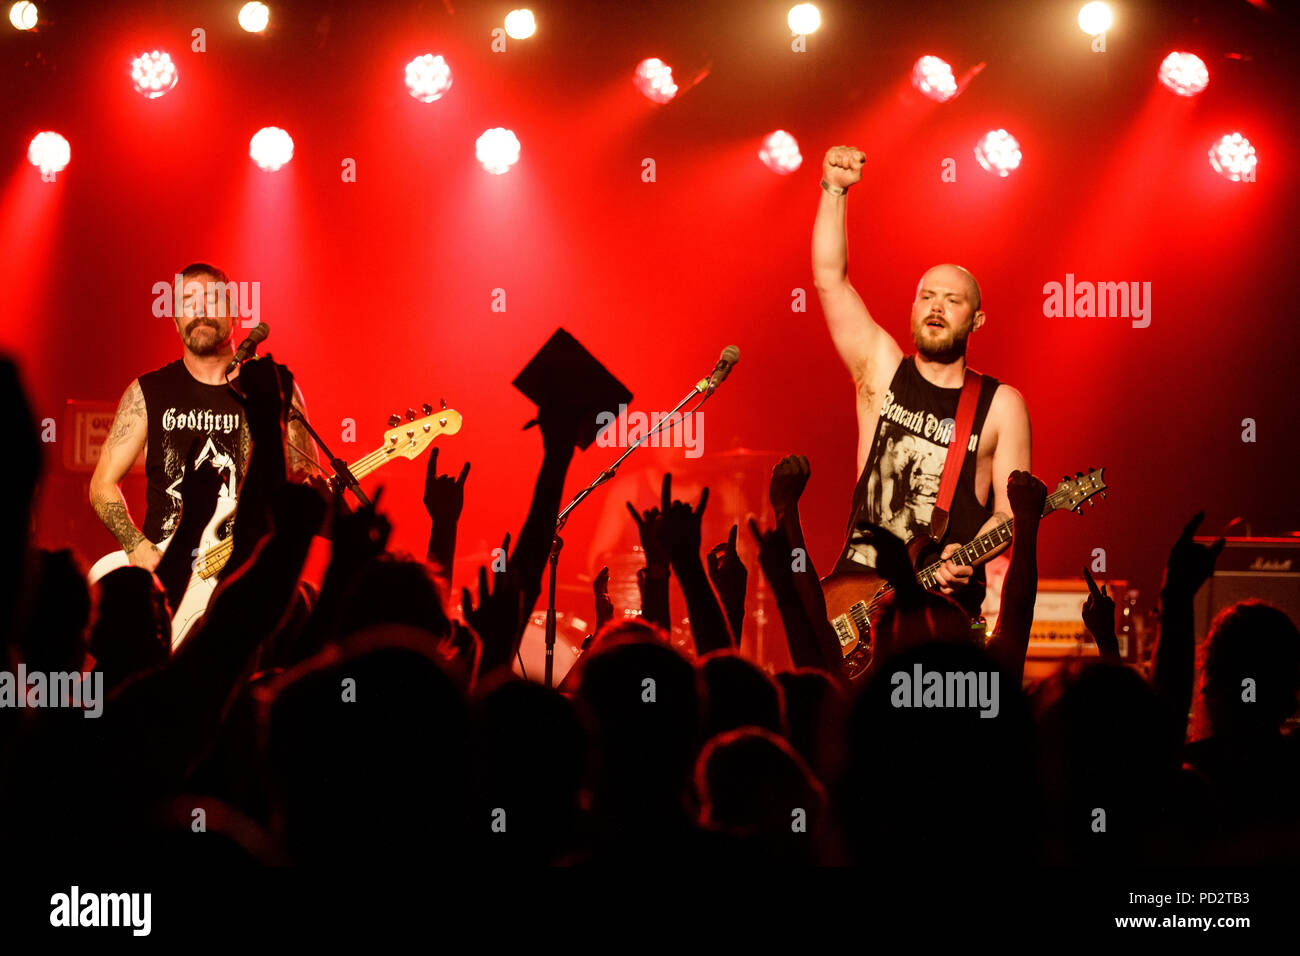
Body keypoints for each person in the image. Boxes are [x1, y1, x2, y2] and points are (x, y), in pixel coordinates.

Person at [812, 146, 1032, 618]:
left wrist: (971, 553)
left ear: (976, 320)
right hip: (855, 597)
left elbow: (1012, 515)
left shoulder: (1000, 405)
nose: (936, 306)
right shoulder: (881, 369)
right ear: (913, 308)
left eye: (951, 300)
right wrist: (834, 190)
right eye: (926, 296)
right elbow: (831, 280)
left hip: (943, 612)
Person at [89, 263, 318, 571]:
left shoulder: (272, 388)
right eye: (187, 302)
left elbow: (307, 484)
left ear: (234, 311)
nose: (199, 310)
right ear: (174, 321)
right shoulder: (147, 392)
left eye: (211, 299)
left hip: (246, 576)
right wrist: (136, 546)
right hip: (167, 579)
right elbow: (101, 485)